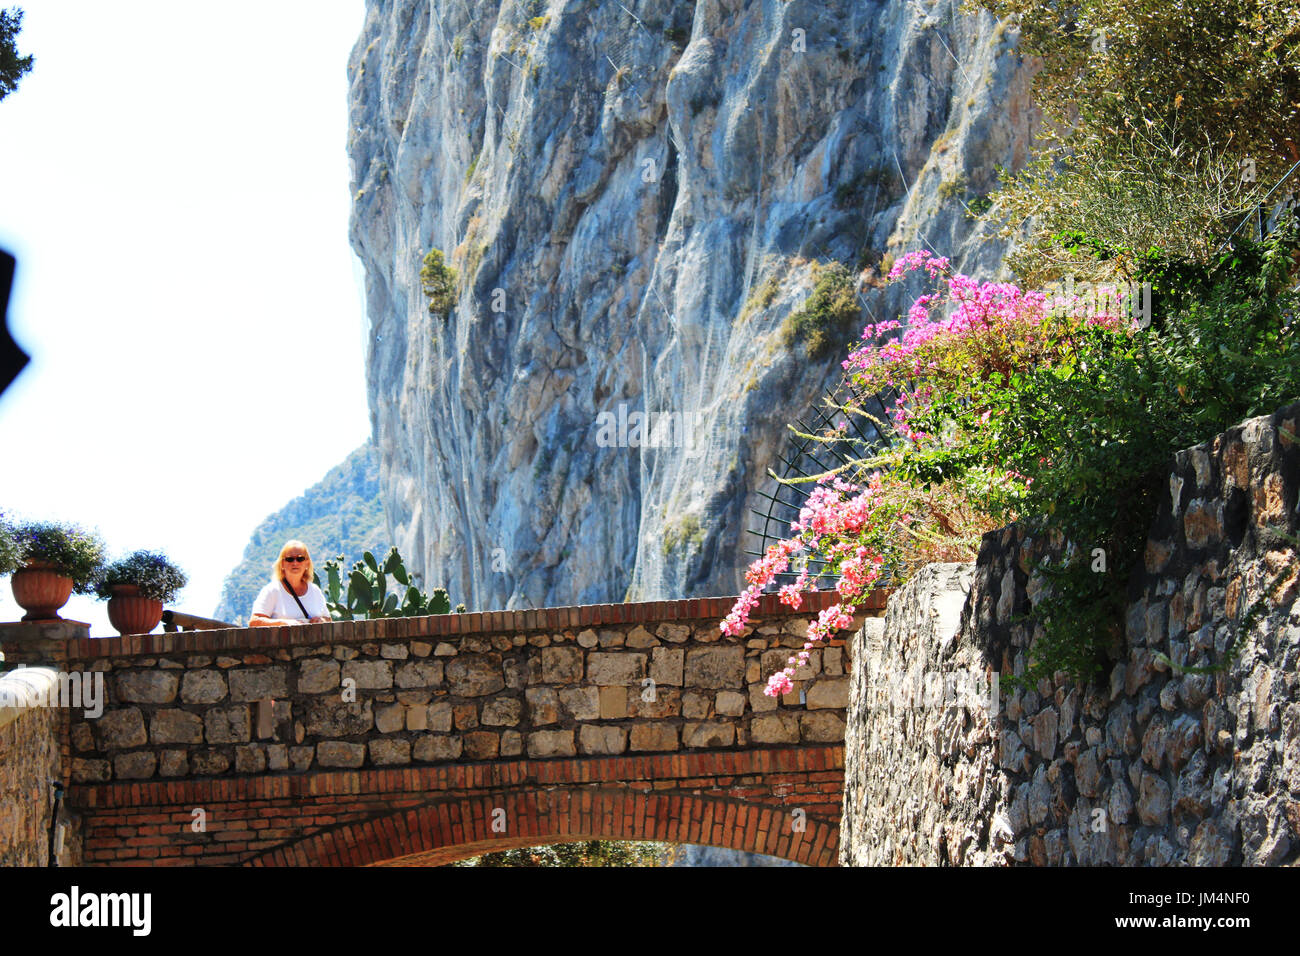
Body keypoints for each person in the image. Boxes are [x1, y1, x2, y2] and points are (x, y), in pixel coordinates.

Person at [248, 540, 332, 626]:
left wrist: (321, 620)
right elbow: (254, 621)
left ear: (307, 563)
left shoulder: (315, 590)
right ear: (282, 564)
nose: (295, 563)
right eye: (290, 559)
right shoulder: (272, 590)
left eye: (300, 559)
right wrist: (283, 623)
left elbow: (328, 619)